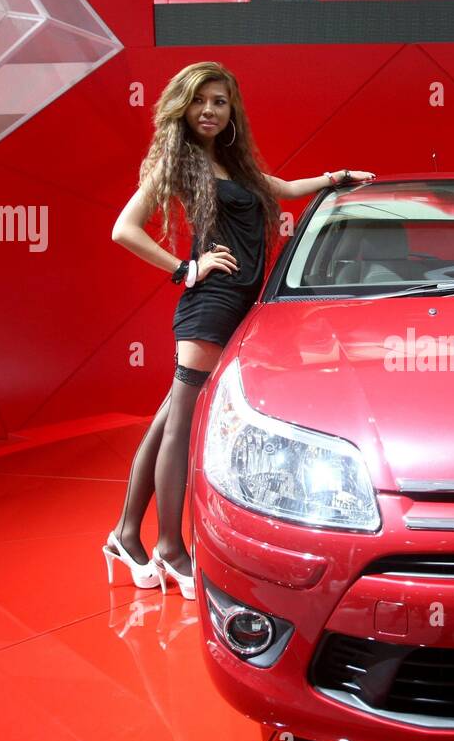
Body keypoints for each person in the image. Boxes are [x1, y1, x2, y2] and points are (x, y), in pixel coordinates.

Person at [104, 60, 374, 600]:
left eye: (220, 101)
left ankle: (126, 535)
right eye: (200, 99)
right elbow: (123, 229)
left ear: (232, 111)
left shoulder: (233, 164)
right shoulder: (176, 164)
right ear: (183, 106)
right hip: (212, 302)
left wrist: (333, 180)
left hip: (241, 303)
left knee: (168, 417)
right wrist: (185, 268)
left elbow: (285, 186)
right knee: (182, 425)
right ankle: (170, 547)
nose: (209, 109)